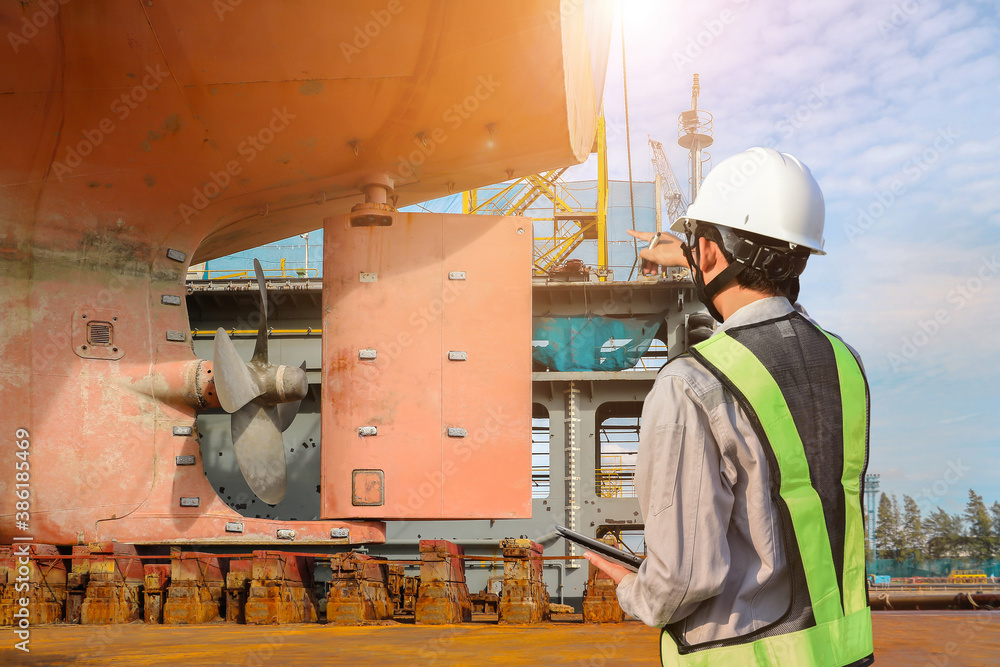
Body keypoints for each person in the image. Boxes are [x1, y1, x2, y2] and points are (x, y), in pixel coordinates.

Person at [585, 147, 874, 666]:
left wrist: (633, 589)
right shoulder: (845, 363)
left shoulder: (692, 382)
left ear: (711, 255)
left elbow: (681, 578)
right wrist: (700, 246)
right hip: (841, 652)